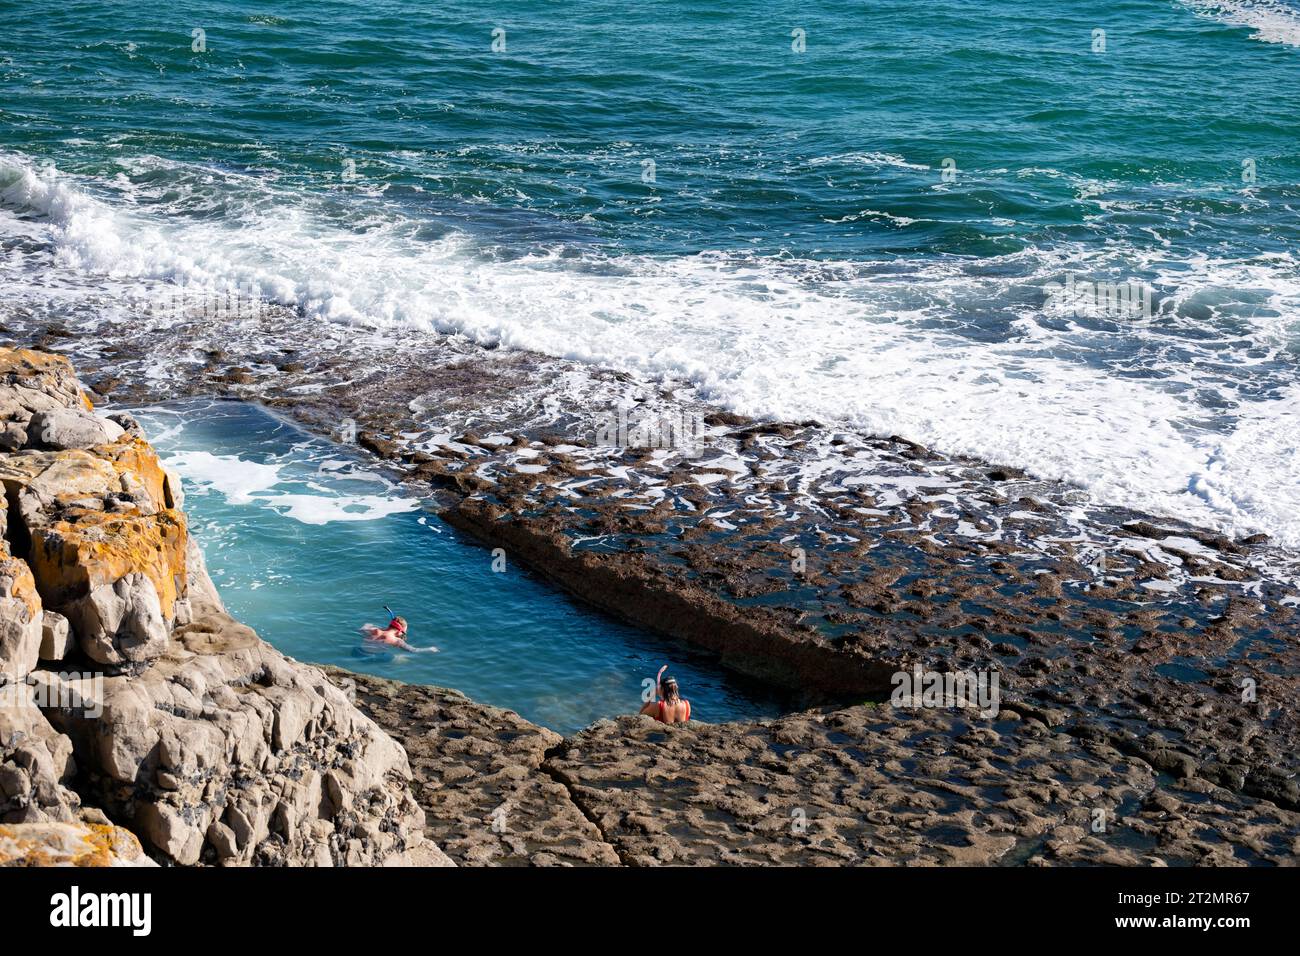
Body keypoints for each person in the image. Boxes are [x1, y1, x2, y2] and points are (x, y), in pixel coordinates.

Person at [360, 614, 438, 654]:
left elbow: (361, 629)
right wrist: (430, 649)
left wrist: (369, 624)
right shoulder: (397, 641)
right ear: (399, 632)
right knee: (395, 658)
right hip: (373, 657)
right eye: (404, 632)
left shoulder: (374, 630)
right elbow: (414, 650)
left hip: (358, 651)